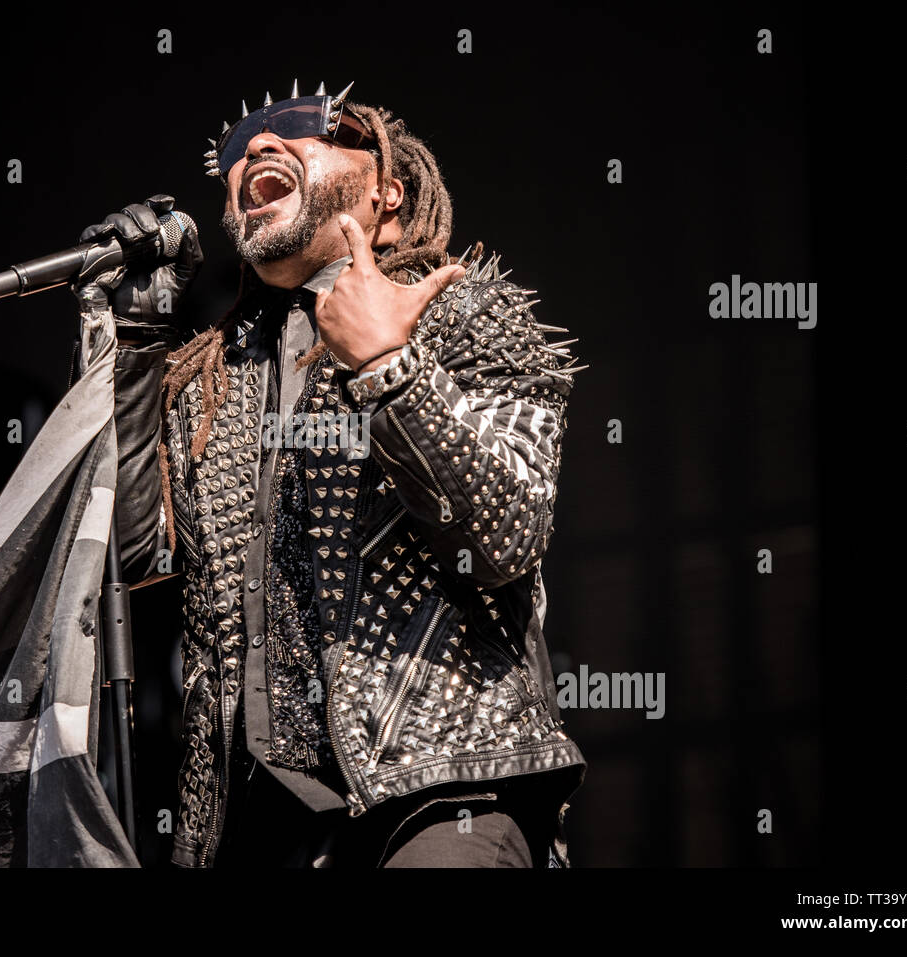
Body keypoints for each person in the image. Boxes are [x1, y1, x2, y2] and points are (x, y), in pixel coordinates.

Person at [73, 80, 588, 868]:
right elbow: (131, 554)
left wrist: (389, 364)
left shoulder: (467, 313)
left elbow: (508, 533)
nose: (258, 146)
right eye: (240, 144)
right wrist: (136, 336)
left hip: (437, 799)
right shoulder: (213, 377)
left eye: (302, 126)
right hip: (254, 829)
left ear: (388, 195)